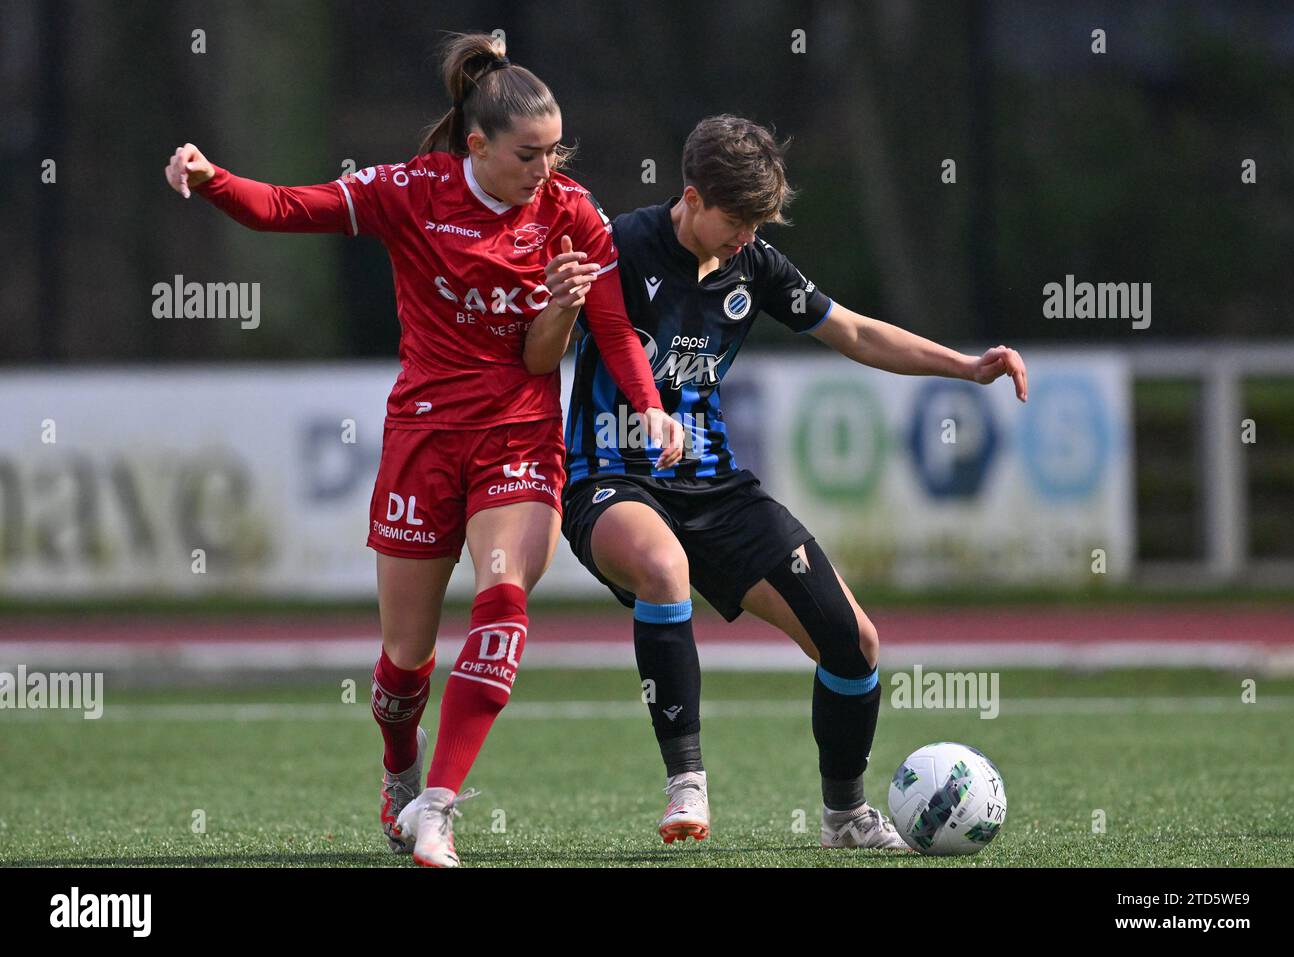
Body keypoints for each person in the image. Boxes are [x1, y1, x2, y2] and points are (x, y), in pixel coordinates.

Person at [165, 32, 683, 868]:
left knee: (505, 592)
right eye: (529, 155)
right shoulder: (413, 191)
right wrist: (208, 177)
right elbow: (291, 208)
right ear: (476, 145)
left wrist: (650, 406)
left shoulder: (571, 212)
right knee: (405, 663)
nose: (546, 172)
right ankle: (400, 771)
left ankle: (437, 808)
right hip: (424, 437)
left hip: (518, 435)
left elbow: (614, 326)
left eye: (558, 153)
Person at [524, 114, 1027, 850]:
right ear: (691, 197)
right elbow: (543, 357)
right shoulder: (620, 244)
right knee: (665, 568)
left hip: (716, 488)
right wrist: (557, 304)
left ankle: (846, 816)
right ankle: (686, 779)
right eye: (737, 221)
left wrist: (965, 364)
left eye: (758, 224)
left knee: (853, 643)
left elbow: (851, 331)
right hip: (610, 479)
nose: (746, 239)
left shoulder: (752, 264)